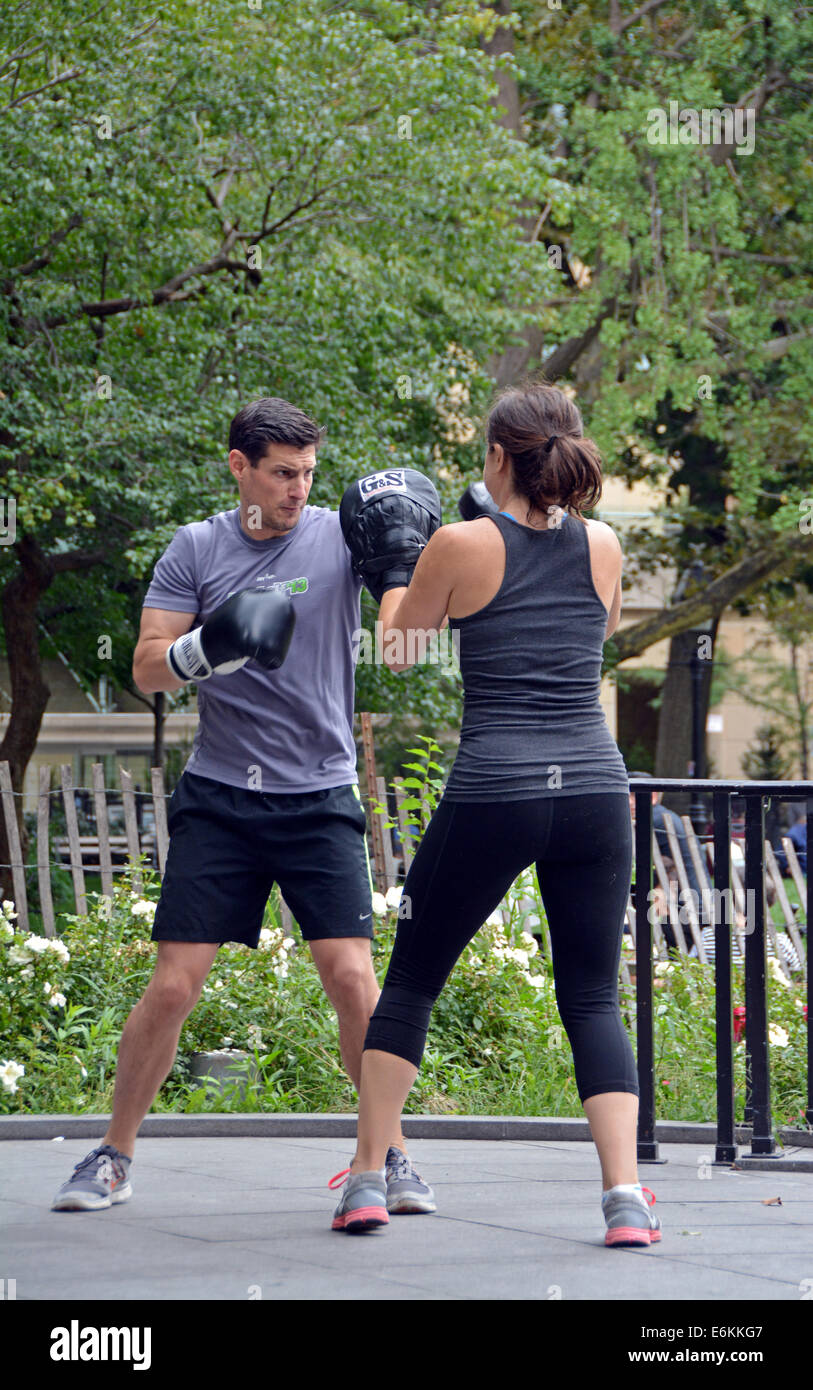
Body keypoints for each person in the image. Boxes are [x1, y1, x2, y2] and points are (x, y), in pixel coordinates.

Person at [51, 397, 435, 1217]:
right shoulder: (196, 548)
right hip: (222, 796)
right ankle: (113, 1153)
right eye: (282, 473)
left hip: (319, 793)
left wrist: (409, 566)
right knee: (171, 987)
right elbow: (145, 669)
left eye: (308, 474)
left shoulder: (341, 533)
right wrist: (207, 646)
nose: (298, 490)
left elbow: (401, 651)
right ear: (240, 466)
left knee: (352, 979)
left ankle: (390, 1154)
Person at [333, 381, 661, 1247]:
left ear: (492, 457)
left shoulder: (461, 540)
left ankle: (367, 1179)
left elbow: (399, 652)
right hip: (595, 789)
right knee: (592, 993)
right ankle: (624, 1197)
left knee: (408, 983)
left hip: (496, 789)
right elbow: (594, 640)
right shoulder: (606, 543)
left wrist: (392, 567)